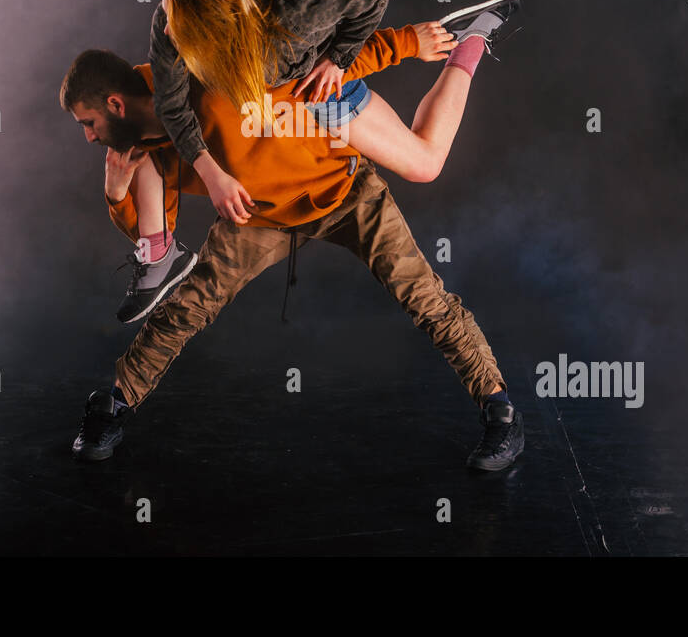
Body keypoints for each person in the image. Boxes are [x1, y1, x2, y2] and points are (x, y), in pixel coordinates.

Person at [57, 30, 525, 471]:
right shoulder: (138, 146)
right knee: (184, 308)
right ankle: (113, 405)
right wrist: (116, 193)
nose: (89, 137)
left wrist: (406, 42)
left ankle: (500, 410)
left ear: (115, 104)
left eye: (88, 124)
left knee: (425, 297)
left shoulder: (201, 79)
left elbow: (316, 62)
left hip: (343, 191)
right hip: (260, 217)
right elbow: (156, 243)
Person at [111, 0, 518, 324]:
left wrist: (339, 60)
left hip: (318, 91)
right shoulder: (168, 27)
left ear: (214, 22)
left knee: (425, 165)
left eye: (177, 18)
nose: (167, 26)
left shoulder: (288, 26)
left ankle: (468, 42)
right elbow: (171, 106)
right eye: (166, 10)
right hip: (277, 110)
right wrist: (212, 173)